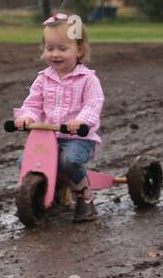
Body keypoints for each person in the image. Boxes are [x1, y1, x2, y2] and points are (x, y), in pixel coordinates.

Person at [13, 12, 104, 222]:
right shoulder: (43, 79)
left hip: (78, 139)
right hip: (48, 137)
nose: (55, 54)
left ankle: (84, 195)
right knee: (24, 162)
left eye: (62, 48)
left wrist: (80, 122)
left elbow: (93, 104)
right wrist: (26, 117)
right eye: (50, 48)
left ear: (79, 50)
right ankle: (47, 192)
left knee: (69, 161)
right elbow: (33, 103)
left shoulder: (88, 79)